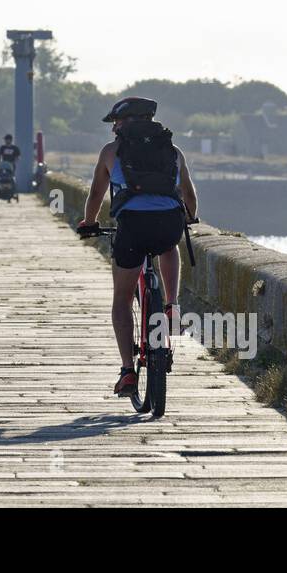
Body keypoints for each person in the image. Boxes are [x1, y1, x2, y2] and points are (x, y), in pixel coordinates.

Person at [78, 96, 198, 397]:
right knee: (170, 245)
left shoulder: (111, 151)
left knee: (121, 300)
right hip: (168, 222)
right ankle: (171, 306)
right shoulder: (172, 150)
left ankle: (127, 372)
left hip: (132, 226)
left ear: (127, 121)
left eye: (116, 121)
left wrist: (88, 222)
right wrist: (191, 216)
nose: (113, 127)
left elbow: (96, 194)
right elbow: (188, 193)